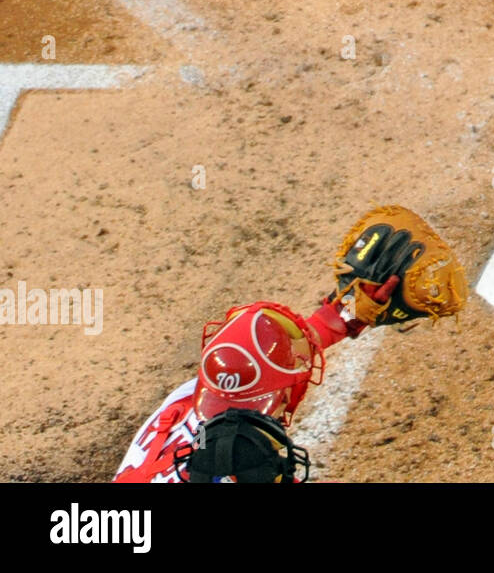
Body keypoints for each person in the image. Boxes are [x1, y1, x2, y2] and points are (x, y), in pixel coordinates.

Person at [113, 206, 467, 482]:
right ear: (272, 399)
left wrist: (343, 313)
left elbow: (272, 357)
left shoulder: (184, 401)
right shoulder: (241, 466)